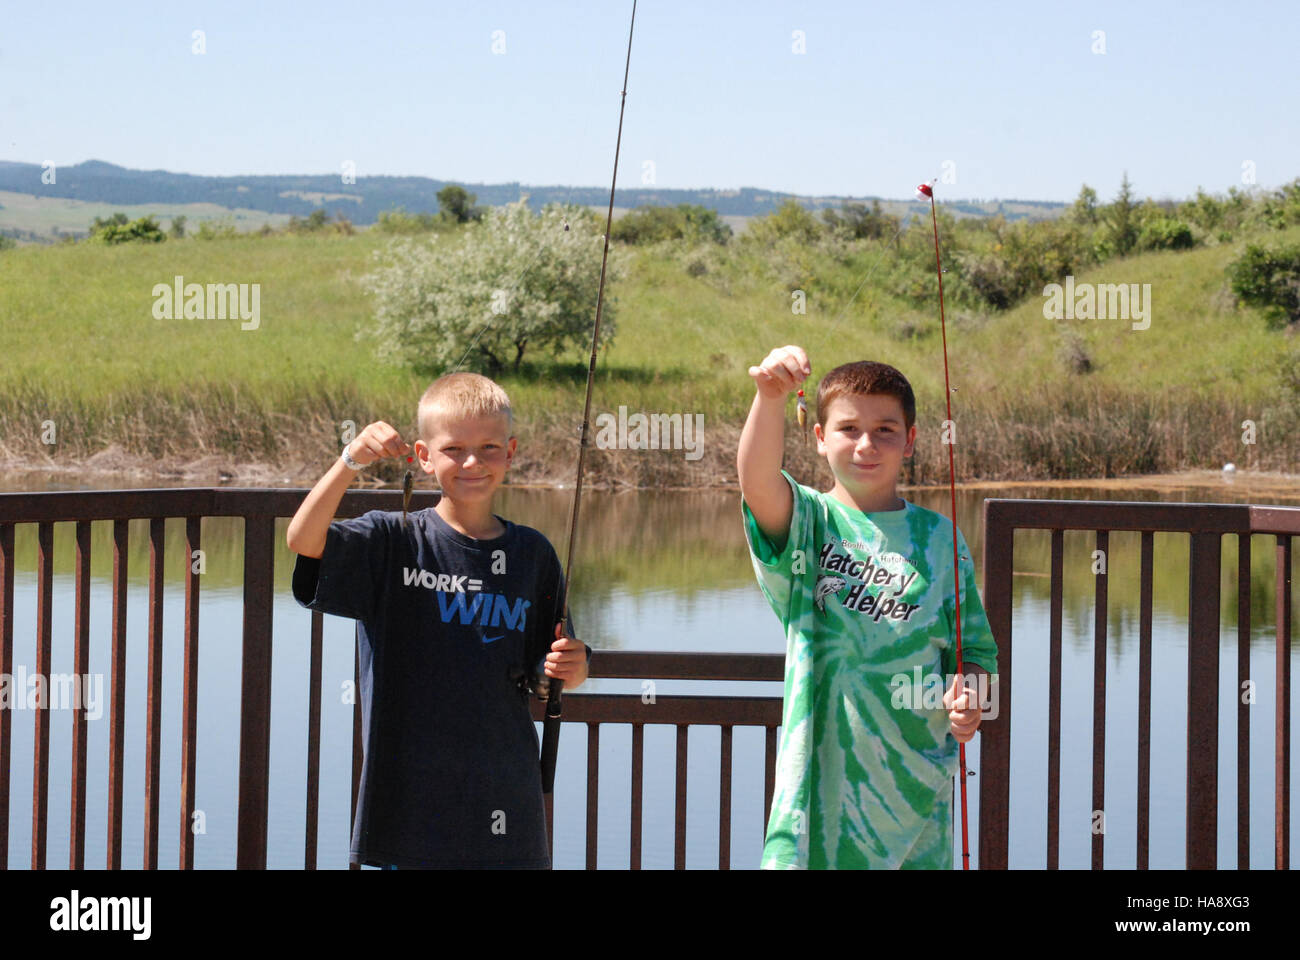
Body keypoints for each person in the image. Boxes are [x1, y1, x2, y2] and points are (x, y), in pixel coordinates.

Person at [286, 372, 590, 869]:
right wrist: (350, 461)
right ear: (424, 457)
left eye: (490, 447)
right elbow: (303, 540)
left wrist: (572, 669)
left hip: (506, 807)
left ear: (511, 452)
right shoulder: (393, 540)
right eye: (454, 449)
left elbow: (547, 672)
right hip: (406, 809)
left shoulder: (534, 554)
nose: (473, 462)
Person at [737, 345, 999, 869]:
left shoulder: (941, 539)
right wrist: (769, 397)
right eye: (849, 429)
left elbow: (977, 656)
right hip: (820, 793)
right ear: (818, 438)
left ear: (911, 441)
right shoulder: (809, 522)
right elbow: (756, 480)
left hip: (920, 794)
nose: (866, 444)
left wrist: (970, 701)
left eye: (885, 430)